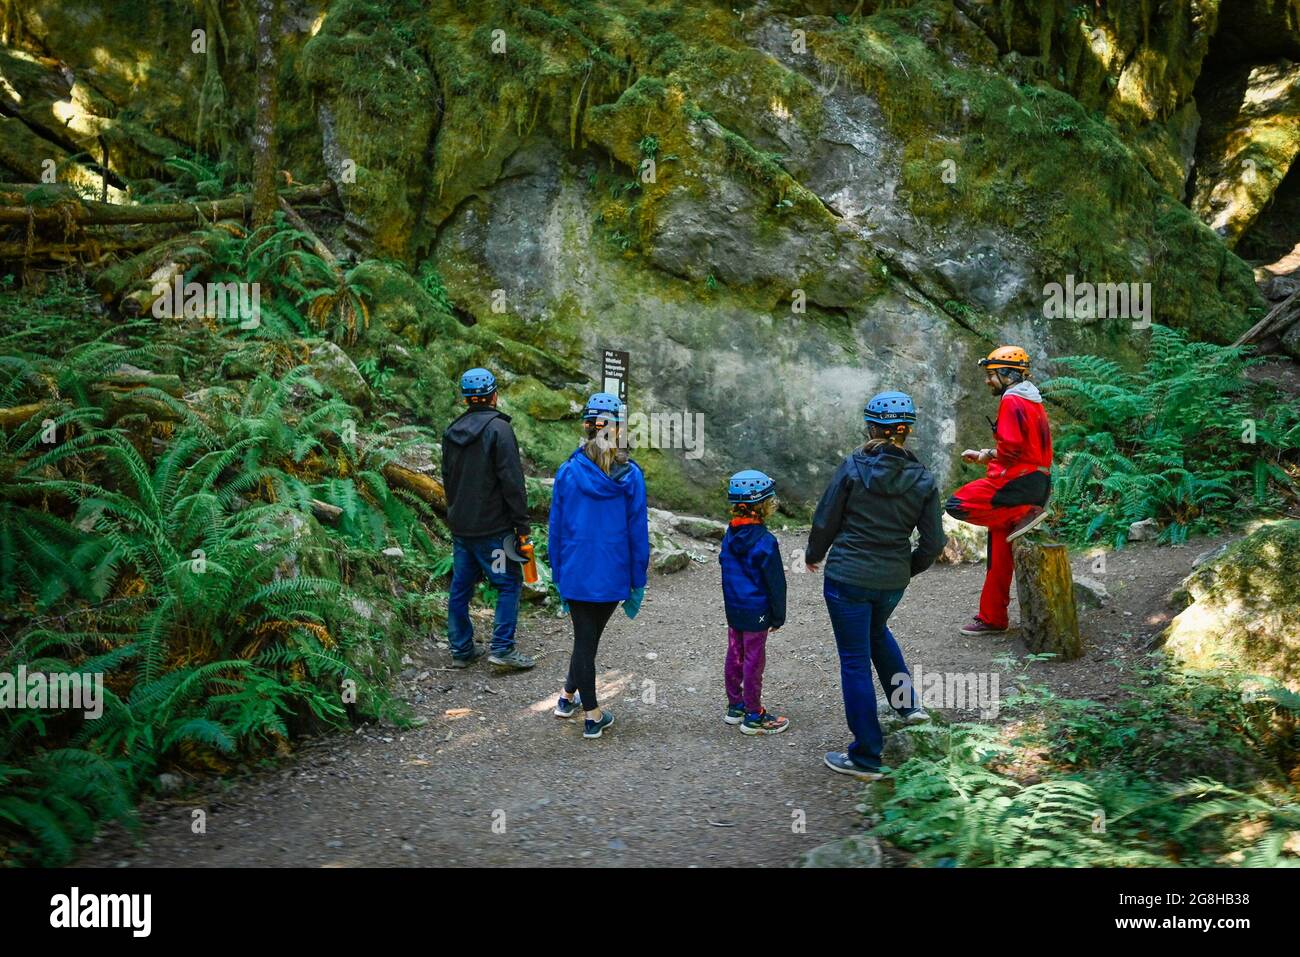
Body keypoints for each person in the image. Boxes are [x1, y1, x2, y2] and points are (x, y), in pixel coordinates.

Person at [805, 391, 945, 781]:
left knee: (854, 661)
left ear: (871, 426)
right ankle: (908, 706)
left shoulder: (852, 468)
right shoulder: (923, 478)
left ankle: (866, 757)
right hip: (891, 582)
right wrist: (906, 568)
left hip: (847, 577)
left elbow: (826, 518)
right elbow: (934, 543)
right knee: (878, 633)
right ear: (907, 431)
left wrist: (814, 553)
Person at [547, 392, 650, 739]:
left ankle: (566, 697)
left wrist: (558, 571)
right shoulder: (631, 476)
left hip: (576, 570)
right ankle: (592, 715)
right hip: (613, 572)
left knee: (584, 639)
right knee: (586, 642)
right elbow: (638, 531)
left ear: (588, 428)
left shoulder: (567, 472)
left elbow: (556, 528)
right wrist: (638, 577)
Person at [945, 346, 1054, 636]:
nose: (987, 381)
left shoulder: (1012, 400)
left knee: (955, 503)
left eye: (990, 375)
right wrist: (984, 456)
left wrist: (990, 455)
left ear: (1007, 375)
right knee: (999, 559)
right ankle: (993, 618)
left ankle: (1025, 513)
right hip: (1035, 482)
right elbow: (1021, 448)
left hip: (1018, 486)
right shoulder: (1032, 401)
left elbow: (1012, 448)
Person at [440, 367, 535, 671]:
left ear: (467, 398)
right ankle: (502, 649)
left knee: (461, 588)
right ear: (494, 395)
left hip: (461, 527)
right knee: (508, 584)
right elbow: (512, 482)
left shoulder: (452, 431)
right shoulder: (500, 430)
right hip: (493, 529)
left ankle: (461, 648)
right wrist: (522, 526)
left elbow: (448, 478)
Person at [718, 470, 789, 735]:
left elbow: (724, 566)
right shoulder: (766, 542)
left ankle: (735, 706)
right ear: (762, 505)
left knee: (735, 654)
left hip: (734, 607)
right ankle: (753, 714)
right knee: (753, 660)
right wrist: (778, 616)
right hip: (757, 610)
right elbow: (776, 584)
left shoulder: (729, 535)